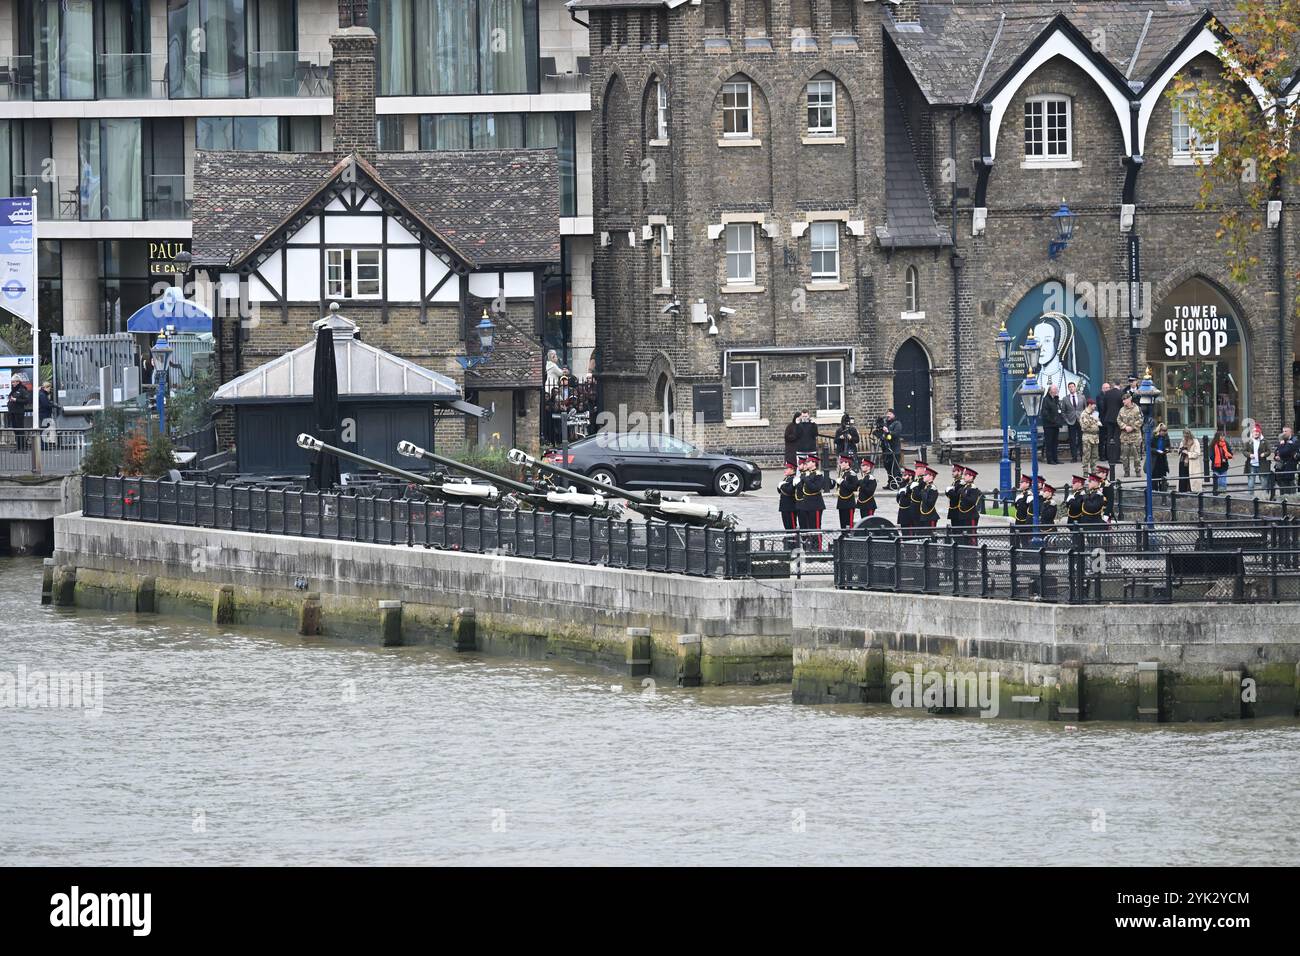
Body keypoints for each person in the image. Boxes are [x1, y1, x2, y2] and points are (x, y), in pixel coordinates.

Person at [1117, 394, 1144, 478]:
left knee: (1137, 456)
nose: (1123, 401)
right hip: (1125, 436)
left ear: (1130, 399)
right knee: (1124, 457)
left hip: (1135, 436)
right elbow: (1118, 420)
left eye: (1125, 399)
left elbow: (1141, 420)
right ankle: (1126, 471)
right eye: (1123, 400)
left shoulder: (1137, 409)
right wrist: (1125, 427)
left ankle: (1138, 471)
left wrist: (1132, 427)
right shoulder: (1121, 410)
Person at [1098, 381, 1123, 467]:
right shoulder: (1121, 393)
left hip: (1108, 419)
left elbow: (1104, 407)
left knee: (1109, 437)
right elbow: (1121, 407)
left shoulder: (1107, 394)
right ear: (1119, 385)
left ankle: (1109, 457)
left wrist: (1105, 416)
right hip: (1118, 419)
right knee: (1117, 438)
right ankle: (1116, 457)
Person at [1241, 421, 1270, 495]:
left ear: (1260, 433)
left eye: (1257, 432)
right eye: (1254, 432)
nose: (1256, 433)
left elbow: (1269, 451)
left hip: (1262, 464)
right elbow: (1244, 451)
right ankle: (1250, 496)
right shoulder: (1248, 441)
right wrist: (1249, 455)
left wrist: (1265, 454)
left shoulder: (1264, 441)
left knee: (1264, 481)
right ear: (1252, 433)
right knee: (1251, 481)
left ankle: (1265, 496)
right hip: (1251, 465)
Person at [876, 410, 903, 487]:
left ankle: (897, 483)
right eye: (887, 414)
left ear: (894, 415)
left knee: (894, 467)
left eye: (890, 414)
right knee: (887, 466)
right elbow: (881, 435)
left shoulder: (897, 423)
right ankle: (890, 482)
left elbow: (896, 434)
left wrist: (888, 431)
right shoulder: (885, 424)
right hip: (886, 449)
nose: (888, 415)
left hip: (894, 449)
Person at [1062, 381, 1085, 463]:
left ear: (1075, 388)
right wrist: (1067, 420)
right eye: (1070, 387)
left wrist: (1084, 419)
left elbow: (1085, 409)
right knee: (1072, 440)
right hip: (1071, 421)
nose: (1071, 388)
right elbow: (1063, 412)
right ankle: (1074, 457)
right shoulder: (1065, 399)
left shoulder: (1082, 397)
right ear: (1068, 389)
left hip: (1080, 421)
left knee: (1081, 439)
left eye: (1073, 386)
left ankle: (1083, 456)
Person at [7, 374, 31, 451]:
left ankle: (22, 447)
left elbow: (27, 400)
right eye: (12, 382)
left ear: (18, 382)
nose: (12, 383)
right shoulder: (13, 390)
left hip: (18, 413)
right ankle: (18, 447)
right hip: (12, 412)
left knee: (20, 430)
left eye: (13, 382)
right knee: (15, 430)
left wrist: (16, 400)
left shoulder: (22, 389)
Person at [834, 456, 859, 529]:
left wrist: (843, 482)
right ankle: (843, 537)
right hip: (841, 502)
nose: (840, 464)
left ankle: (849, 538)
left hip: (849, 502)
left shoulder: (852, 474)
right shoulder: (842, 473)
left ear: (847, 463)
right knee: (842, 524)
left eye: (842, 462)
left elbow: (854, 487)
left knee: (849, 524)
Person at [1041, 384, 1062, 465]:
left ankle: (1055, 459)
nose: (1057, 390)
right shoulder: (1046, 400)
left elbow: (1058, 410)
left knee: (1055, 443)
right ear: (1050, 391)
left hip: (1056, 425)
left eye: (1057, 389)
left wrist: (1057, 398)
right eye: (1055, 389)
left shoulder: (1055, 399)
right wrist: (1053, 420)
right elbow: (1045, 414)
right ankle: (1050, 460)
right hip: (1049, 426)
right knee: (1049, 443)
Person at [915, 465, 941, 530]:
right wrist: (916, 487)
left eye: (926, 475)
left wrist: (923, 492)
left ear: (931, 477)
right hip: (923, 516)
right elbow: (917, 496)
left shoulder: (933, 488)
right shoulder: (926, 487)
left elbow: (930, 503)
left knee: (930, 536)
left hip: (930, 517)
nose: (924, 476)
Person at [1276, 427, 1299, 495]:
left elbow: (1285, 452)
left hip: (1290, 466)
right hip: (1281, 467)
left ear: (1290, 432)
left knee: (1291, 484)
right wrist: (1276, 456)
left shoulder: (1295, 441)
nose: (1284, 433)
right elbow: (1277, 452)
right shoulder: (1282, 441)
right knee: (1282, 485)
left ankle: (1291, 501)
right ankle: (1283, 501)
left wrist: (1282, 445)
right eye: (1283, 431)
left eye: (1286, 431)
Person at [1080, 400, 1101, 475]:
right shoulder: (1084, 414)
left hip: (1095, 437)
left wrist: (1096, 422)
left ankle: (1094, 471)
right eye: (1094, 405)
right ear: (1089, 405)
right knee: (1086, 455)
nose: (1095, 406)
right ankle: (1085, 471)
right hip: (1087, 437)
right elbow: (1084, 426)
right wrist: (1094, 423)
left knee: (1094, 455)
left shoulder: (1095, 414)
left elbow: (1098, 422)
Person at [1149, 423, 1170, 492]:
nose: (1164, 432)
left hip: (1162, 458)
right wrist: (1157, 451)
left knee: (1163, 475)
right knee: (1154, 476)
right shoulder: (1153, 437)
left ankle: (1163, 491)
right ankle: (1154, 490)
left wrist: (1167, 449)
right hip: (1154, 459)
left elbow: (1168, 446)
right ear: (1159, 431)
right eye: (1163, 431)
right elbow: (1148, 448)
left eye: (1165, 431)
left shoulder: (1166, 437)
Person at [778, 462, 798, 532]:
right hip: (784, 506)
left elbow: (789, 490)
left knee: (791, 526)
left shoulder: (793, 479)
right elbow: (779, 490)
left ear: (792, 469)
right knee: (786, 526)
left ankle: (793, 540)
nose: (785, 470)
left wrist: (782, 486)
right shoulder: (786, 478)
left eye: (787, 468)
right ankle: (788, 540)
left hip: (790, 507)